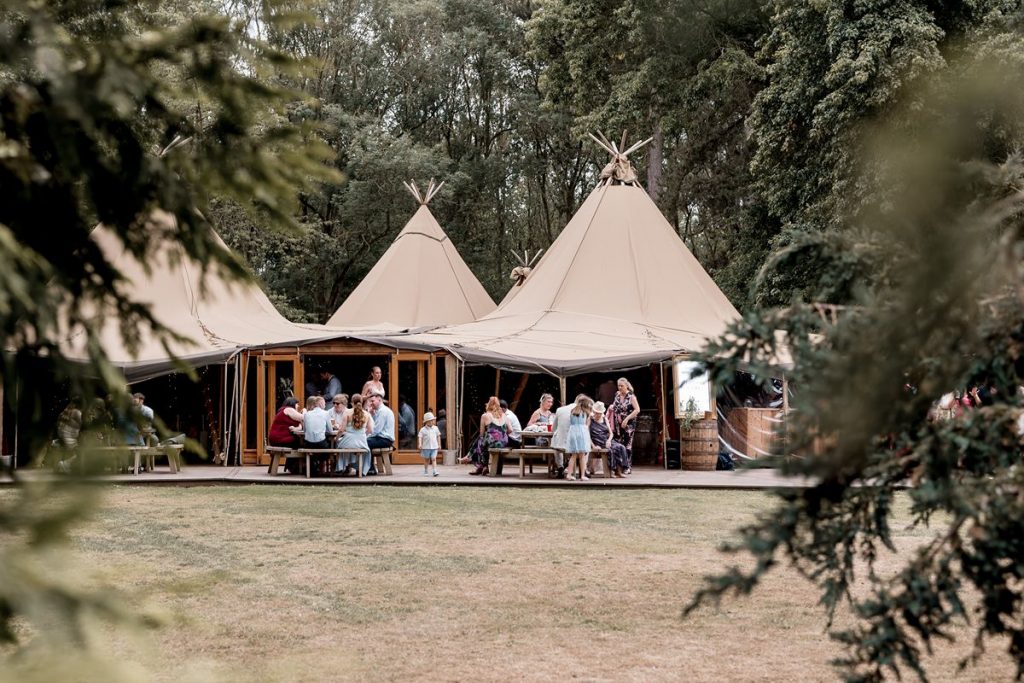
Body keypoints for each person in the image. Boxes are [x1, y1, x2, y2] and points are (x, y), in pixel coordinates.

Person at [467, 396, 508, 475]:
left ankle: (482, 466)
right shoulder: (503, 415)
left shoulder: (485, 416)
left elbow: (481, 433)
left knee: (481, 441)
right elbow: (510, 429)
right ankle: (480, 465)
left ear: (488, 404)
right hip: (504, 441)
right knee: (485, 443)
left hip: (493, 441)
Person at [336, 394, 373, 476]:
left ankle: (343, 467)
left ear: (352, 403)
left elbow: (341, 429)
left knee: (339, 444)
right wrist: (363, 435)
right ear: (362, 402)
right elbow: (370, 429)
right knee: (363, 449)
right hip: (361, 441)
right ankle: (360, 469)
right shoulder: (367, 414)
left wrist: (336, 438)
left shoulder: (347, 412)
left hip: (348, 440)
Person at [589, 401, 629, 477]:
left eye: (599, 413)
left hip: (606, 440)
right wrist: (593, 446)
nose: (598, 414)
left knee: (621, 447)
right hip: (597, 441)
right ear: (594, 411)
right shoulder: (590, 419)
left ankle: (619, 471)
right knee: (612, 450)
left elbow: (611, 433)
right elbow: (587, 435)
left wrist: (609, 440)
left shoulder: (604, 419)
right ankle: (614, 470)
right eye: (596, 413)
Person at [610, 377, 641, 473]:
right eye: (618, 385)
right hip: (618, 424)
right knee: (618, 444)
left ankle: (627, 466)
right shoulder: (617, 395)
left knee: (627, 444)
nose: (620, 387)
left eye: (622, 386)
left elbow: (637, 410)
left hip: (629, 424)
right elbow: (615, 405)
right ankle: (619, 465)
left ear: (626, 386)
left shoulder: (631, 396)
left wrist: (627, 419)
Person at [564, 396, 593, 481]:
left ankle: (569, 474)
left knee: (573, 456)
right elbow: (586, 425)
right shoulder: (586, 412)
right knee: (582, 456)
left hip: (573, 433)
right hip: (582, 433)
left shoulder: (573, 411)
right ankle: (582, 475)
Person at [365, 391, 395, 476]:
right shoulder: (379, 411)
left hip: (385, 439)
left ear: (379, 400)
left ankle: (370, 469)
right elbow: (374, 426)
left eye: (372, 401)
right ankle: (370, 468)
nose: (371, 404)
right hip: (382, 438)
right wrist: (371, 414)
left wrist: (366, 436)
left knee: (365, 442)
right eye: (370, 401)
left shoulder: (383, 411)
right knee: (366, 441)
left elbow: (376, 430)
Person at [53, 397, 82, 472]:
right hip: (69, 438)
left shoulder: (66, 410)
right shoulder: (76, 412)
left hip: (62, 436)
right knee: (81, 452)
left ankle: (64, 466)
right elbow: (82, 424)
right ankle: (65, 464)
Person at [419, 412, 441, 477]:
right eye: (430, 421)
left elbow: (438, 436)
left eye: (432, 420)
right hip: (426, 447)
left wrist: (439, 444)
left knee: (434, 458)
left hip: (434, 447)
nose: (431, 422)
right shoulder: (423, 429)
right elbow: (420, 437)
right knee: (426, 459)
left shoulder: (436, 428)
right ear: (426, 422)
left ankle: (435, 471)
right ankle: (426, 470)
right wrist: (420, 444)